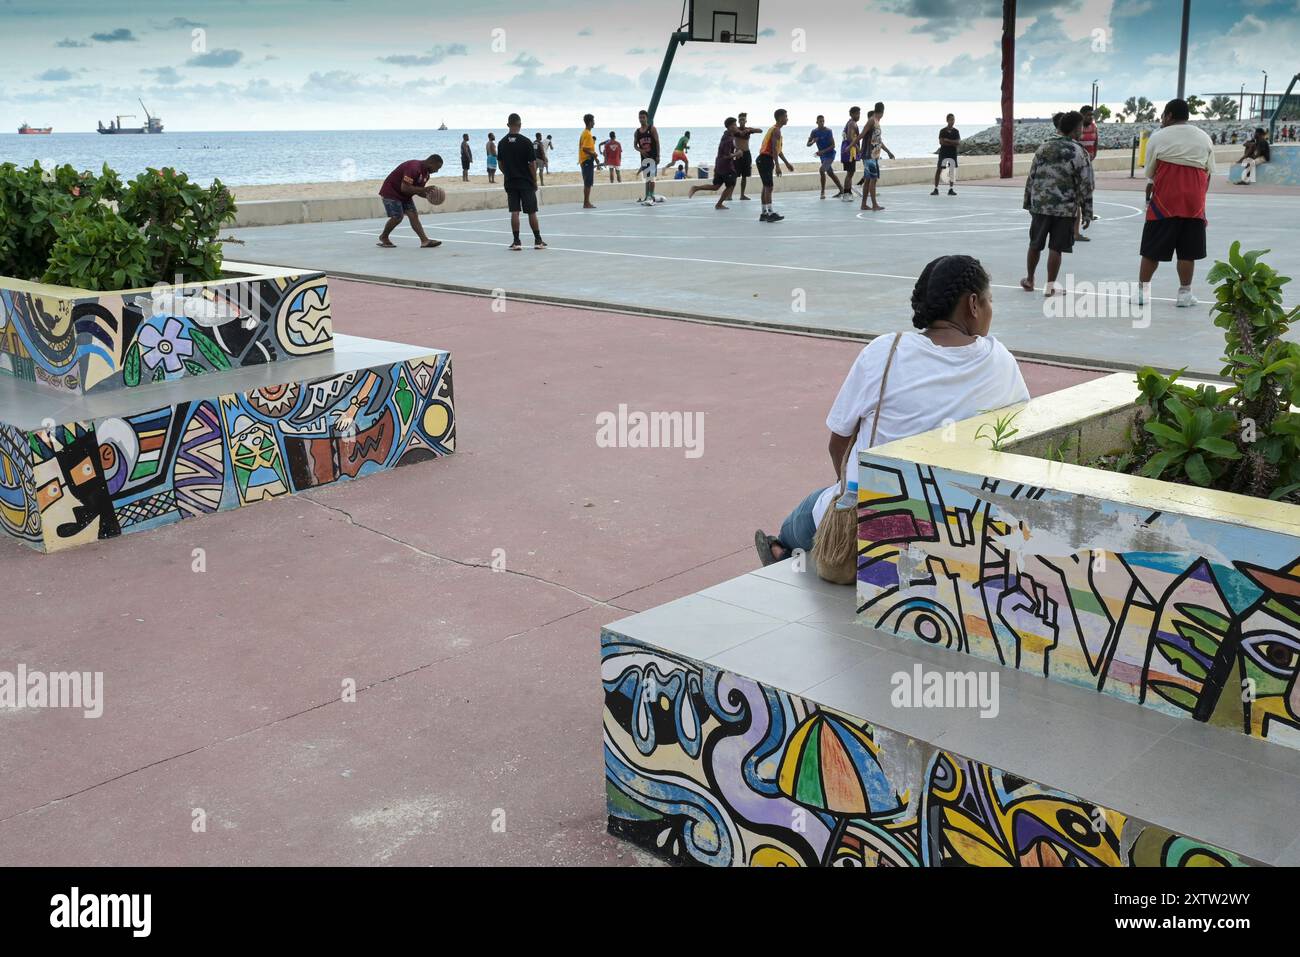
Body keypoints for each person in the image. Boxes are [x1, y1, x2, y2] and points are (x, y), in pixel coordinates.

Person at [754, 255, 1028, 569]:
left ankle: (785, 552)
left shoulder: (886, 351)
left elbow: (838, 444)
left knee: (799, 520)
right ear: (973, 304)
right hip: (961, 522)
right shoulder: (1001, 362)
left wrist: (851, 492)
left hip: (876, 517)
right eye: (991, 300)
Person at [1138, 98, 1214, 307]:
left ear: (1169, 115)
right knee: (1187, 251)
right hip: (1194, 203)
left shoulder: (1158, 136)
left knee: (1151, 250)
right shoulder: (1204, 137)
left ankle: (1142, 293)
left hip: (1165, 201)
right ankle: (1184, 294)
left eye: (1163, 115)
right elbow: (1208, 172)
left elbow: (1150, 172)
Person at [1020, 110, 1093, 296]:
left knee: (1035, 244)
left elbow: (1032, 176)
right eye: (1081, 128)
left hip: (1041, 206)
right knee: (1056, 248)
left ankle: (1030, 279)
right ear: (1076, 129)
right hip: (1065, 208)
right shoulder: (1079, 152)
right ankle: (1050, 286)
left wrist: (1028, 202)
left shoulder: (1044, 147)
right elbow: (1087, 184)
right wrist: (1087, 211)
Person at [498, 114, 547, 251]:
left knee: (514, 211)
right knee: (531, 212)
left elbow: (500, 164)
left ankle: (516, 241)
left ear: (508, 125)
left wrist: (508, 174)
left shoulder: (502, 143)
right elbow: (532, 164)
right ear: (520, 125)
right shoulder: (526, 142)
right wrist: (534, 180)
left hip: (510, 182)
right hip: (526, 182)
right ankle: (538, 240)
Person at [376, 155, 443, 249]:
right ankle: (384, 236)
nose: (437, 171)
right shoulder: (413, 167)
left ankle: (425, 241)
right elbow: (405, 188)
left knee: (414, 216)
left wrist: (430, 196)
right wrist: (424, 189)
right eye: (437, 168)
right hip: (391, 192)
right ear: (431, 163)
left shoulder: (426, 175)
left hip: (405, 195)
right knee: (397, 217)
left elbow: (418, 190)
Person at [688, 117, 741, 209]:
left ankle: (696, 188)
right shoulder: (728, 139)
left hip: (719, 165)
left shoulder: (726, 135)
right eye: (735, 125)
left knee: (716, 186)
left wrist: (736, 148)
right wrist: (737, 153)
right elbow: (726, 155)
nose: (736, 126)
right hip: (726, 167)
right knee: (731, 185)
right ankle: (719, 204)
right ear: (730, 127)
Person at [757, 108, 793, 222]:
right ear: (780, 118)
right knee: (769, 187)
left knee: (765, 186)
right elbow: (773, 149)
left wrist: (786, 163)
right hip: (766, 159)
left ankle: (764, 213)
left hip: (762, 159)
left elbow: (778, 150)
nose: (787, 118)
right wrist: (777, 166)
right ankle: (770, 213)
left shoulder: (774, 129)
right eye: (786, 116)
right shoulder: (776, 130)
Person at [859, 102, 894, 211]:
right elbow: (861, 135)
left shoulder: (876, 123)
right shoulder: (872, 122)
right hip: (870, 155)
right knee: (872, 180)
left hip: (873, 155)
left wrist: (888, 151)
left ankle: (864, 204)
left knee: (869, 180)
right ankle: (874, 204)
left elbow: (878, 141)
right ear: (882, 111)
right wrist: (850, 146)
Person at [808, 115, 844, 199]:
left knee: (821, 170)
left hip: (830, 154)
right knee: (830, 173)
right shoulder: (814, 132)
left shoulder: (828, 131)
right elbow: (808, 144)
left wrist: (822, 151)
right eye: (820, 121)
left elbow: (833, 145)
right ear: (817, 122)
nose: (822, 123)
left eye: (823, 121)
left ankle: (822, 192)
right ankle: (842, 190)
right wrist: (813, 141)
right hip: (822, 156)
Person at [633, 110, 661, 205]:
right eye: (640, 117)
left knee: (651, 178)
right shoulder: (637, 132)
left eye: (643, 117)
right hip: (644, 158)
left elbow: (657, 142)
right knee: (647, 178)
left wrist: (658, 155)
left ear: (647, 118)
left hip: (652, 156)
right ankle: (647, 196)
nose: (641, 119)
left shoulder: (652, 129)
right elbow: (635, 145)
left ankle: (651, 195)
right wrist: (641, 150)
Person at [733, 112, 761, 200]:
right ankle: (729, 195)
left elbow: (760, 131)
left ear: (745, 121)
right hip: (737, 154)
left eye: (743, 120)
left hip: (746, 153)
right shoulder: (735, 130)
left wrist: (749, 130)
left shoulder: (748, 130)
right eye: (740, 120)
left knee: (745, 176)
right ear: (738, 121)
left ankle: (742, 195)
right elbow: (728, 135)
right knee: (734, 176)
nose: (741, 121)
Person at [932, 113, 960, 196]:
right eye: (951, 120)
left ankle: (951, 189)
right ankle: (936, 189)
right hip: (943, 153)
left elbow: (958, 142)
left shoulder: (956, 131)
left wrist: (947, 140)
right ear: (947, 120)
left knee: (952, 171)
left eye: (953, 120)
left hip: (952, 153)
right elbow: (941, 142)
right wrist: (952, 143)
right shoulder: (942, 131)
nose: (952, 121)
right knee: (939, 170)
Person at [579, 113, 601, 208]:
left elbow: (588, 148)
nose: (594, 123)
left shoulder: (584, 133)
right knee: (588, 183)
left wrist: (595, 159)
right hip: (587, 161)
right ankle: (586, 202)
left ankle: (586, 202)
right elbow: (585, 149)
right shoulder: (588, 134)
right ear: (590, 122)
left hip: (585, 160)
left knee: (587, 182)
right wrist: (594, 155)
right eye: (593, 121)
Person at [840, 106, 861, 202]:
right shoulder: (852, 123)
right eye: (857, 113)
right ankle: (846, 193)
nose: (858, 115)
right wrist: (857, 148)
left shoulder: (851, 123)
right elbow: (849, 137)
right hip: (850, 152)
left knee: (851, 172)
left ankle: (849, 192)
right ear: (852, 114)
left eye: (859, 113)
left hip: (848, 151)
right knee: (850, 173)